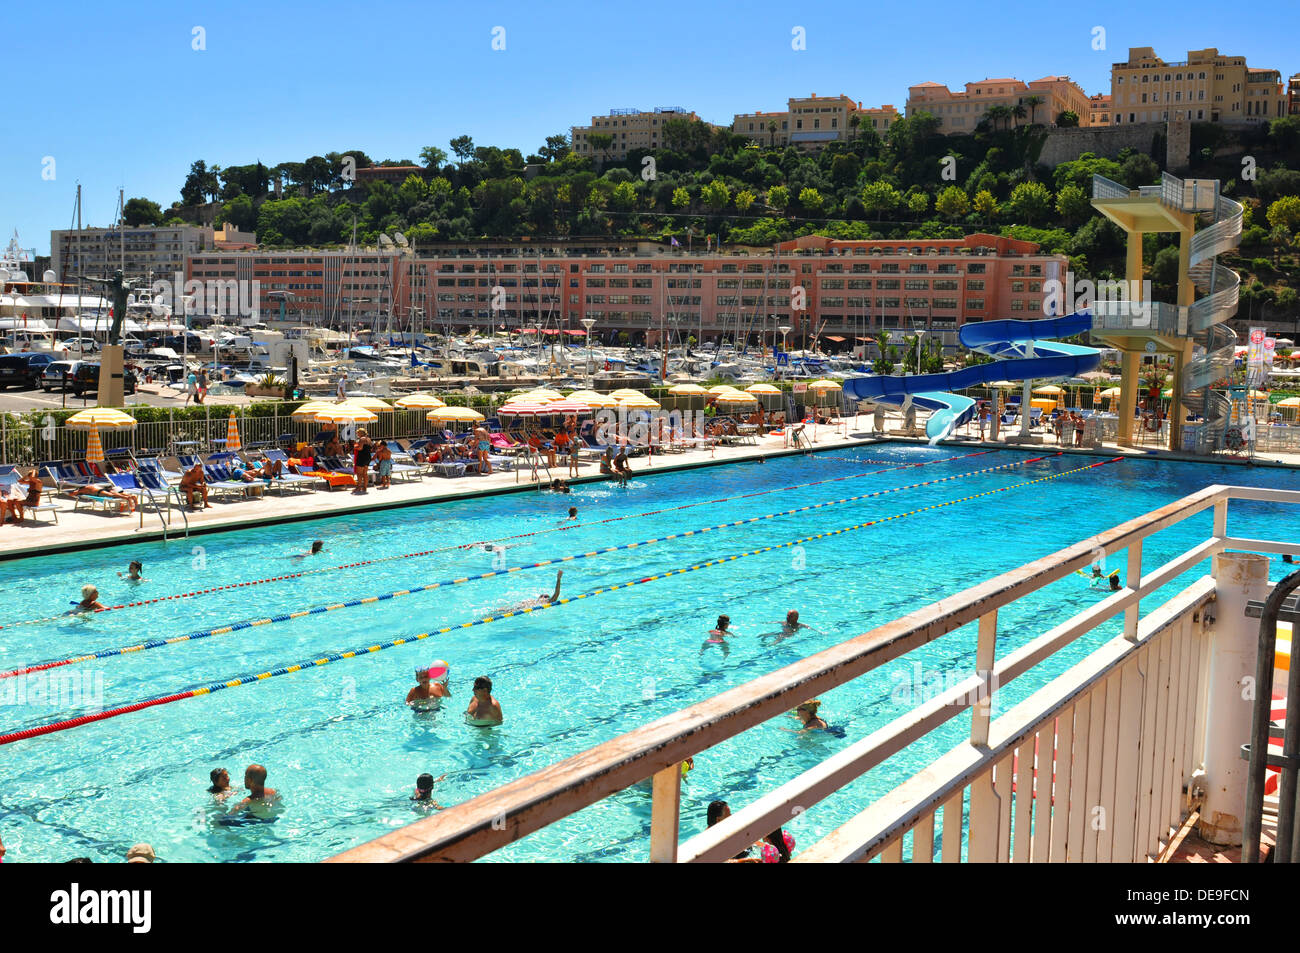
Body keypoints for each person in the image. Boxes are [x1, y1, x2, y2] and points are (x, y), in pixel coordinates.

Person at [68, 482, 137, 514]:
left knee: (111, 495)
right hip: (100, 489)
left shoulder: (80, 490)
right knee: (114, 493)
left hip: (98, 491)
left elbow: (72, 494)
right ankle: (130, 496)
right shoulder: (86, 487)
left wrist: (71, 493)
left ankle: (127, 498)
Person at [353, 428, 373, 494]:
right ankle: (365, 487)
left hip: (362, 457)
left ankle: (358, 487)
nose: (357, 434)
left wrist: (355, 447)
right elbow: (371, 448)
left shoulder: (362, 439)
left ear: (361, 433)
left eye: (358, 433)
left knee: (359, 473)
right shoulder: (369, 439)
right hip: (368, 457)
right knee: (365, 473)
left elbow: (360, 448)